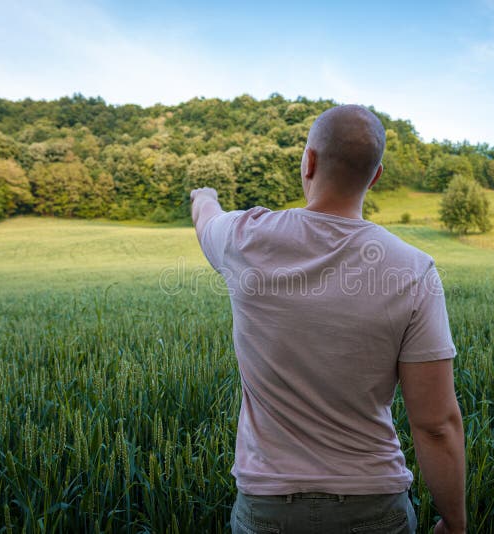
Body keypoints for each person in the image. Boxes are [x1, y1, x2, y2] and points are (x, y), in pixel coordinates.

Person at [191, 105, 465, 534]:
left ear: (309, 161)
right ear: (375, 177)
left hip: (267, 507)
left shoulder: (244, 237)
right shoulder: (414, 269)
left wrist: (204, 196)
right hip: (376, 507)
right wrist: (455, 522)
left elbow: (206, 219)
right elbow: (435, 425)